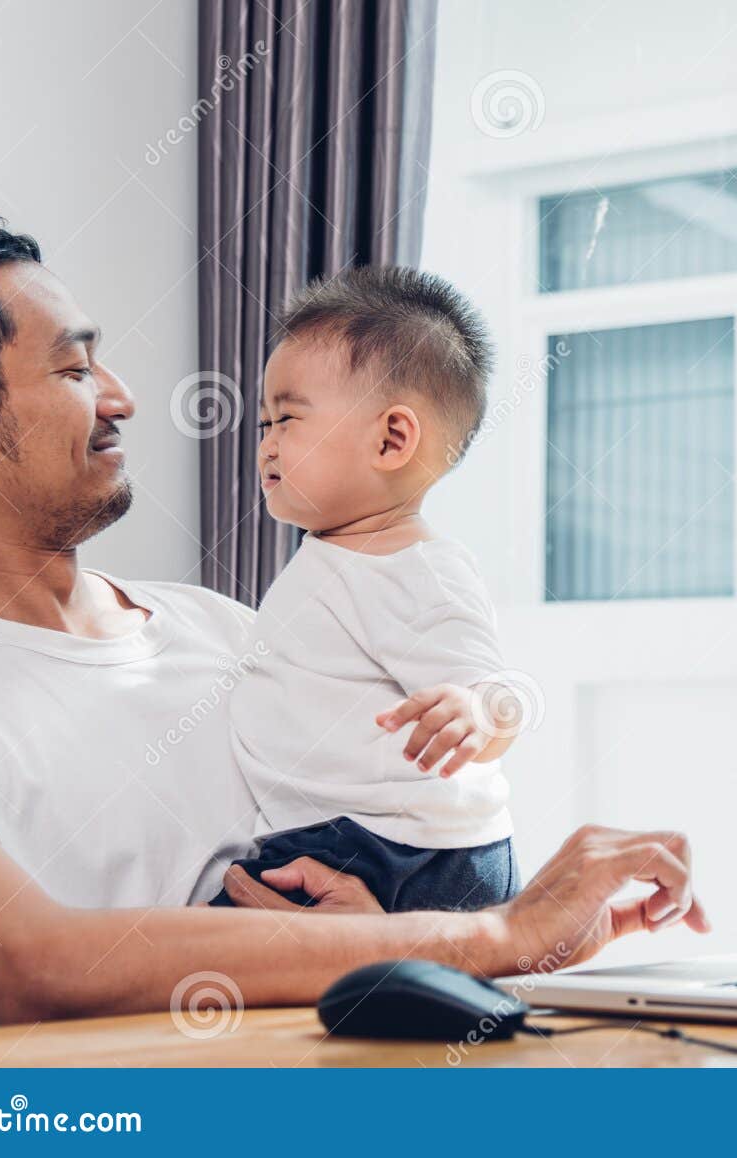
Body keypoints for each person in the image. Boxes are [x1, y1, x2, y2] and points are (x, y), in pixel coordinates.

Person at [0, 208, 706, 1031]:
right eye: (76, 370)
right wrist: (492, 937)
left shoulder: (233, 631)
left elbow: (394, 874)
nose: (122, 397)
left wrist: (401, 942)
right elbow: (23, 967)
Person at [209, 265, 529, 913]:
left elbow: (492, 687)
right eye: (265, 424)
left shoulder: (414, 568)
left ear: (391, 439)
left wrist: (477, 710)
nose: (265, 444)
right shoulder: (339, 554)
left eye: (286, 419)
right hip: (368, 838)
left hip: (396, 851)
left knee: (197, 946)